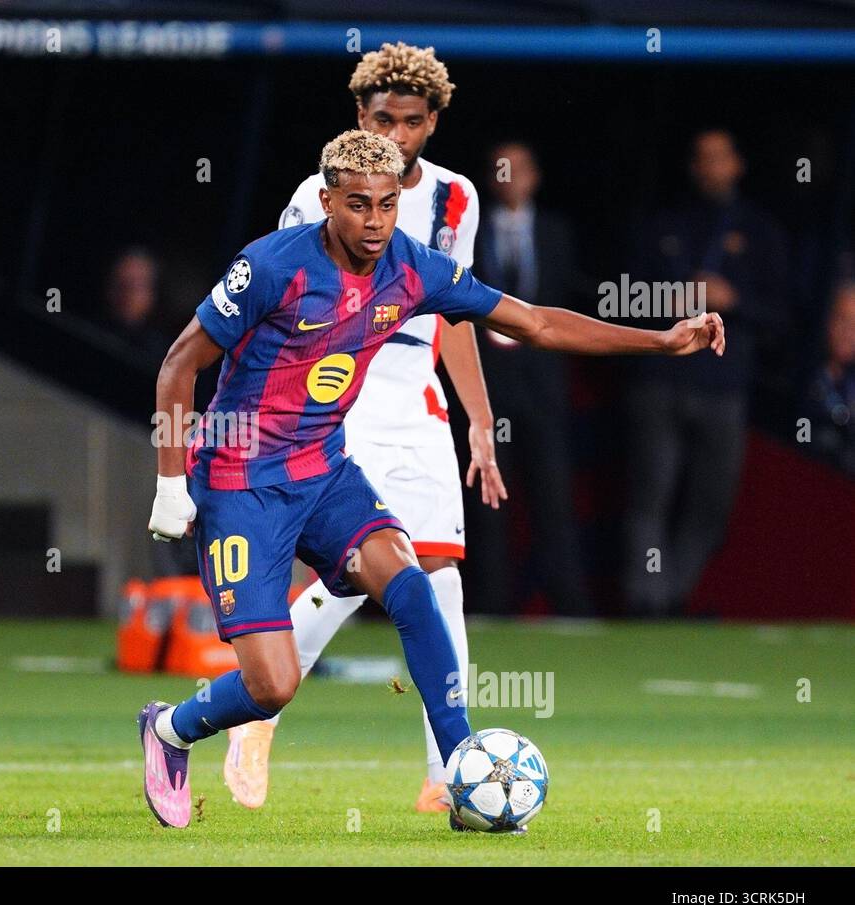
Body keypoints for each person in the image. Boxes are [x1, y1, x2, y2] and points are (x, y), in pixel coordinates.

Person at [139, 130, 725, 830]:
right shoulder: (270, 267)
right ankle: (171, 730)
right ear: (325, 202)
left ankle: (461, 774)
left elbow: (533, 323)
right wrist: (171, 485)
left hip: (324, 468)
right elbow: (179, 364)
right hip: (240, 481)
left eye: (387, 206)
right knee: (272, 686)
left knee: (414, 584)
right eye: (358, 206)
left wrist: (659, 339)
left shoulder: (413, 268)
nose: (375, 222)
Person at [226, 42, 503, 814]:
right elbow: (280, 300)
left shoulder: (457, 200)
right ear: (360, 116)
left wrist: (479, 420)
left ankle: (447, 772)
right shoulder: (320, 192)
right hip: (339, 383)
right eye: (385, 119)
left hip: (416, 392)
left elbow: (457, 313)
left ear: (433, 122)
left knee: (438, 578)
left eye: (414, 122)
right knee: (371, 568)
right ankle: (260, 707)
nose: (400, 135)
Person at [623, 129, 787, 616]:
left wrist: (735, 300)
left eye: (722, 157)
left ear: (738, 164)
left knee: (711, 504)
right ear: (693, 167)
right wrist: (670, 299)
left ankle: (673, 594)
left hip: (724, 387)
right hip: (660, 383)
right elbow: (617, 299)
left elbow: (783, 318)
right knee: (649, 494)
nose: (712, 168)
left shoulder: (759, 231)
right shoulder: (662, 225)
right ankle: (644, 602)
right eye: (703, 159)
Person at [468, 141, 594, 616]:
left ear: (535, 176)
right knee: (487, 499)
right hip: (489, 386)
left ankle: (570, 606)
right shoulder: (472, 232)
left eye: (518, 167)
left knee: (553, 496)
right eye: (499, 167)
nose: (509, 175)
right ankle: (491, 606)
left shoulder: (558, 232)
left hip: (543, 390)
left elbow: (562, 310)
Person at [802, 281, 855, 473]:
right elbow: (801, 433)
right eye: (842, 320)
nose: (847, 334)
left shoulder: (850, 384)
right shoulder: (804, 376)